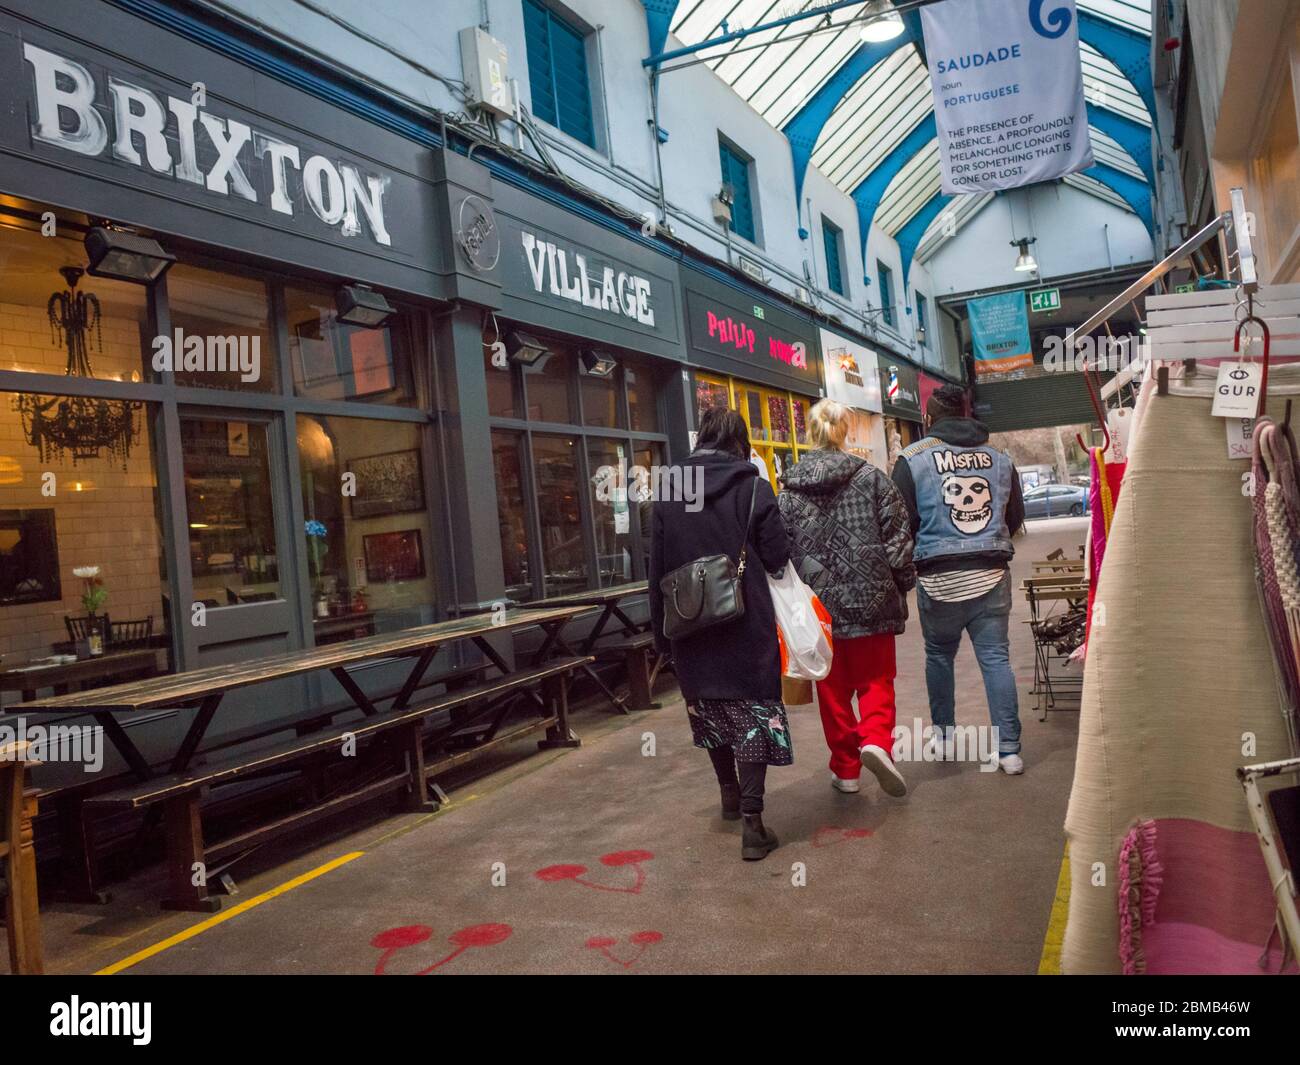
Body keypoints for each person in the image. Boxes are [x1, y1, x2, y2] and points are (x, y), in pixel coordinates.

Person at [649, 408, 791, 861]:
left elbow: (655, 568)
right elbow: (777, 556)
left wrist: (661, 636)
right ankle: (753, 821)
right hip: (745, 620)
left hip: (688, 623)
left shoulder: (670, 488)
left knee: (711, 708)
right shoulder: (753, 486)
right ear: (741, 442)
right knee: (751, 712)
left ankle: (729, 795)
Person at [778, 400, 916, 797]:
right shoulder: (874, 480)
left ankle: (846, 768)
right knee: (876, 681)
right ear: (845, 432)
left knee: (833, 692)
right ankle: (876, 741)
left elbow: (780, 553)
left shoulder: (787, 493)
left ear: (811, 432)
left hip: (817, 611)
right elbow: (898, 542)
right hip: (872, 599)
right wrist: (901, 585)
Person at [890, 383, 1027, 774]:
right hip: (990, 574)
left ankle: (945, 739)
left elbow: (903, 524)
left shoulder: (912, 459)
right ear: (967, 415)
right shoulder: (999, 458)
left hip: (939, 580)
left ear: (929, 418)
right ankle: (1009, 751)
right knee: (996, 659)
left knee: (938, 656)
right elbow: (1013, 516)